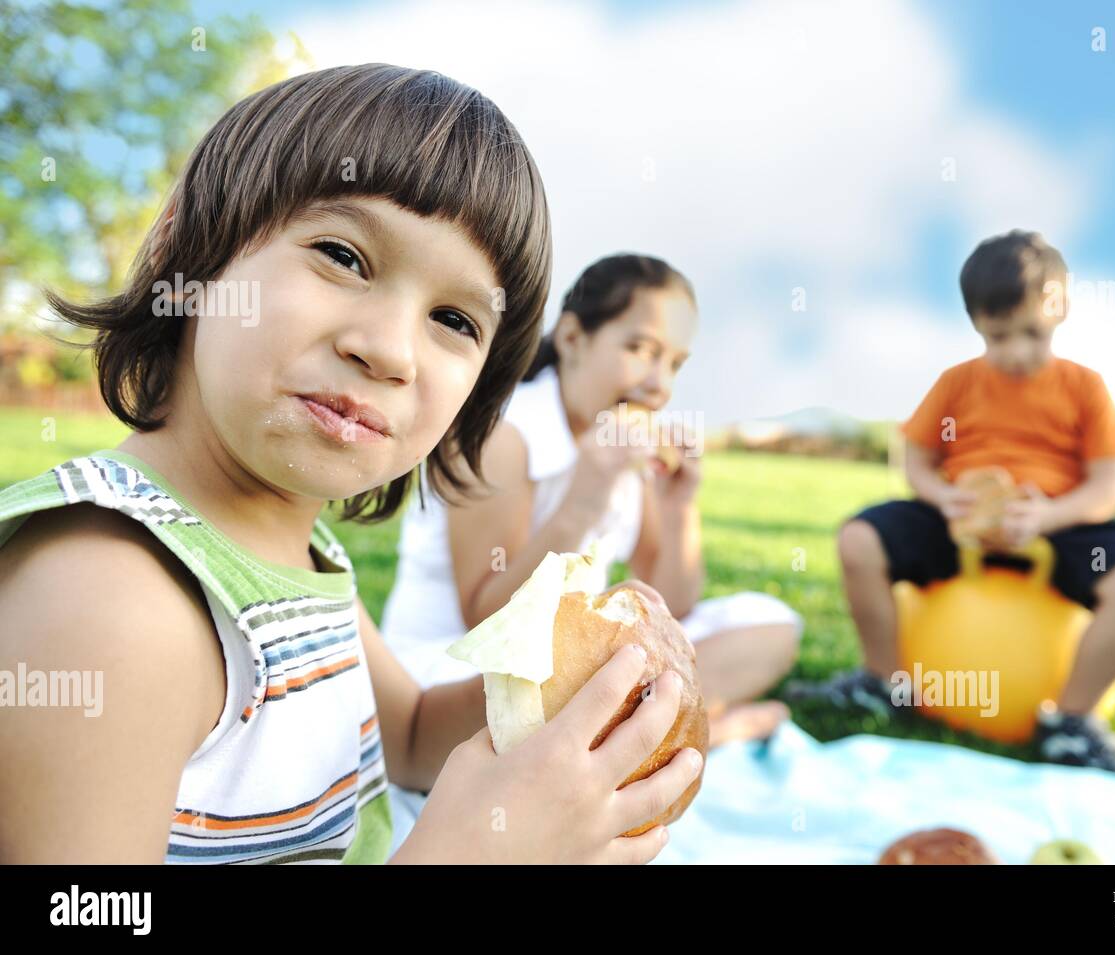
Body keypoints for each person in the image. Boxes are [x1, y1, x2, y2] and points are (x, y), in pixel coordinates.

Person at [0, 65, 700, 865]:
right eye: (342, 255)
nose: (389, 349)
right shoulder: (112, 596)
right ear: (183, 257)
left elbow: (403, 736)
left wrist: (579, 684)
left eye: (453, 319)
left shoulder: (297, 557)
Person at [381, 254, 802, 846]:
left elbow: (675, 606)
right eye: (642, 349)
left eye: (675, 363)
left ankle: (655, 733)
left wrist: (680, 508)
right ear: (574, 336)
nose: (658, 383)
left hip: (578, 657)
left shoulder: (625, 445)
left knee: (771, 624)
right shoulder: (504, 437)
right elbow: (490, 615)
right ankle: (697, 733)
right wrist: (587, 494)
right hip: (460, 670)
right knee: (587, 682)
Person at [789, 230, 1115, 775]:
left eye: (1032, 334)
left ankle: (1072, 723)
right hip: (956, 524)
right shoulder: (957, 383)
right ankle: (882, 682)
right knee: (858, 539)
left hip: (1060, 525)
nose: (1016, 353)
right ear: (975, 323)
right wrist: (941, 495)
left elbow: (1110, 485)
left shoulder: (1086, 387)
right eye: (999, 337)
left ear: (1060, 309)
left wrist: (1049, 514)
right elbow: (917, 460)